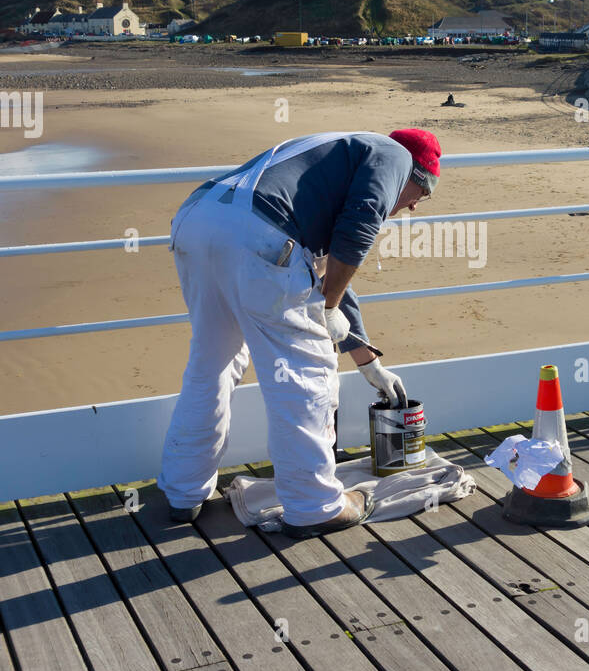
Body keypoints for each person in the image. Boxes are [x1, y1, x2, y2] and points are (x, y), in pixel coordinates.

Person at [157, 128, 442, 537]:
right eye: (421, 195)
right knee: (306, 374)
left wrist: (369, 363)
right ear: (415, 174)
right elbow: (356, 232)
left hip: (200, 219)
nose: (413, 207)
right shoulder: (395, 155)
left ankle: (184, 492)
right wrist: (325, 310)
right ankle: (314, 504)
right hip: (258, 233)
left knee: (212, 362)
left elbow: (327, 278)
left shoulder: (340, 157)